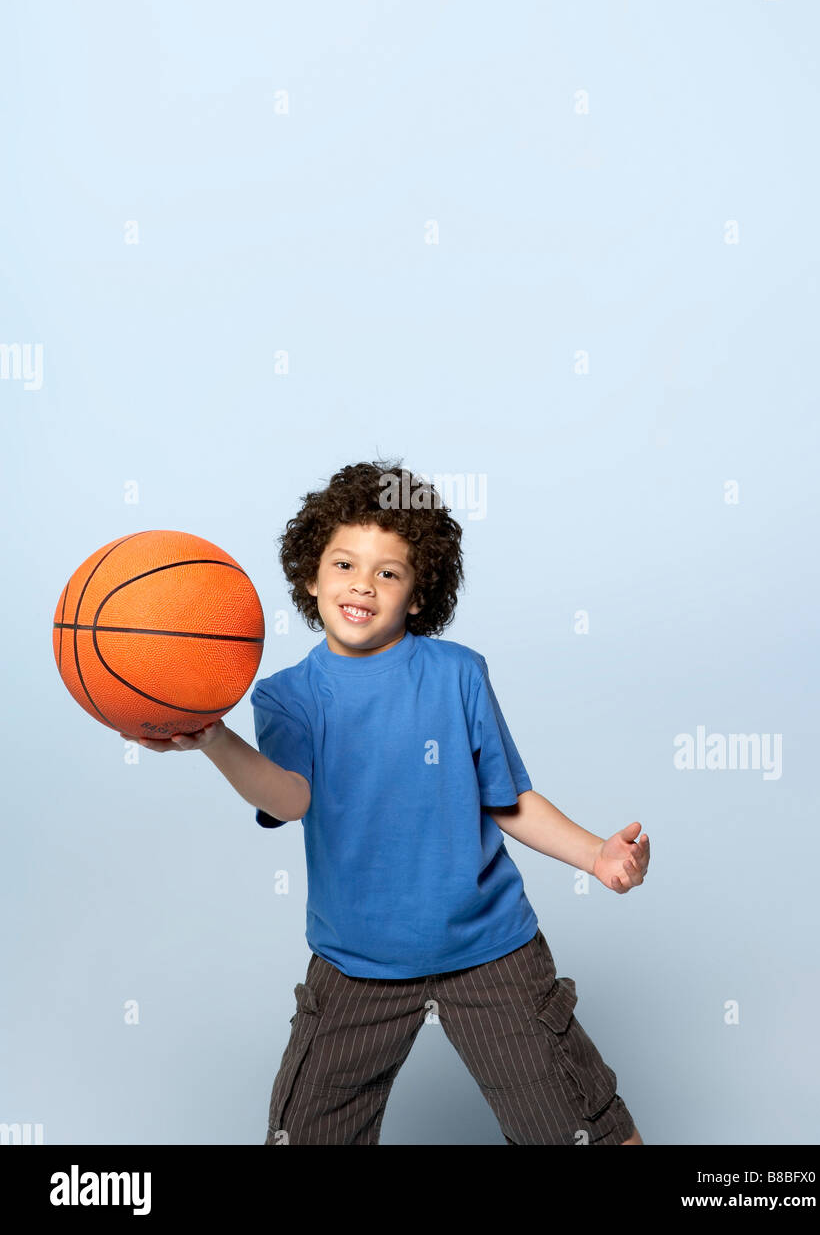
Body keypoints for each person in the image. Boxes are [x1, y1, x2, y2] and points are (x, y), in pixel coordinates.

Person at [124, 459, 649, 1145]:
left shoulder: (459, 674)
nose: (362, 586)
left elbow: (508, 801)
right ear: (310, 578)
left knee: (582, 1128)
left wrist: (596, 856)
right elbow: (289, 799)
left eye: (388, 572)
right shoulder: (288, 695)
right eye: (343, 564)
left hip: (489, 950)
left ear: (418, 595)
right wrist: (216, 741)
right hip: (357, 964)